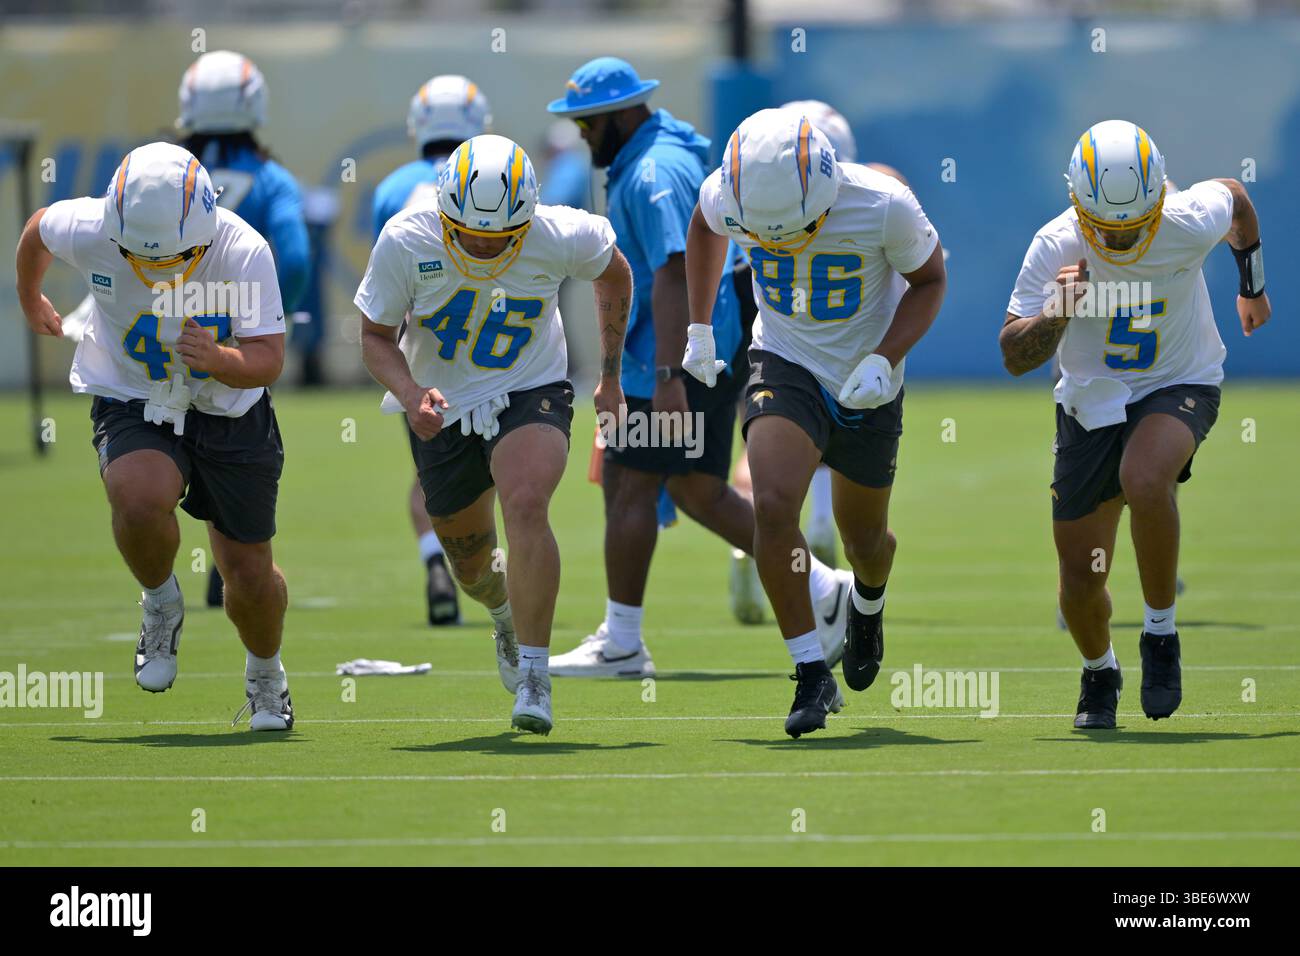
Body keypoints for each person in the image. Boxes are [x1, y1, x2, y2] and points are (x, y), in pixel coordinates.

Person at [544, 59, 854, 679]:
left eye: (587, 121)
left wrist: (668, 378)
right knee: (692, 486)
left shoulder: (651, 170)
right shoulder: (656, 155)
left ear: (621, 114)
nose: (581, 134)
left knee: (631, 481)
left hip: (686, 353)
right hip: (700, 343)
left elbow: (671, 269)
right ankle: (822, 587)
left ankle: (624, 641)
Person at [356, 134, 633, 735]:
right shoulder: (408, 237)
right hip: (442, 400)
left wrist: (610, 374)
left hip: (532, 386)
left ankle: (535, 673)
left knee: (527, 502)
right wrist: (409, 396)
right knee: (472, 566)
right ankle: (505, 612)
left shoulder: (560, 232)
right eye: (470, 231)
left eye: (499, 234)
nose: (483, 243)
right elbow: (375, 336)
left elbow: (614, 272)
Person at [685, 108, 947, 738]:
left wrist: (886, 358)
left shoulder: (884, 203)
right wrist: (698, 327)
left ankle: (867, 602)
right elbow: (703, 227)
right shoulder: (729, 191)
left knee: (865, 542)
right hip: (784, 357)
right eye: (767, 235)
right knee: (773, 505)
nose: (783, 243)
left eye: (799, 229)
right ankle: (809, 670)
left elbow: (932, 280)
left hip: (866, 375)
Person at [16, 142, 295, 730]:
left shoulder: (243, 250)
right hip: (134, 394)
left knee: (248, 576)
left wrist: (219, 357)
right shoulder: (92, 226)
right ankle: (162, 603)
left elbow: (268, 361)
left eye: (175, 257)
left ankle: (266, 674)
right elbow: (38, 230)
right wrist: (28, 296)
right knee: (138, 497)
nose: (157, 273)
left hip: (229, 409)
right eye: (137, 258)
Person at [1000, 120, 1269, 729]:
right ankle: (1100, 671)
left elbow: (1239, 201)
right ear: (1078, 207)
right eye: (1107, 230)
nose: (1119, 242)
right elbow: (1013, 355)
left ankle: (1161, 635)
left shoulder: (1187, 219)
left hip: (1180, 381)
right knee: (1079, 577)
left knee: (1146, 478)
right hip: (1089, 403)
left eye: (1133, 227)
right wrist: (1058, 310)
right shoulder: (1056, 245)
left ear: (1159, 203)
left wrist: (1252, 287)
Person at [176, 50, 310, 608]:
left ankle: (165, 581)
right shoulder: (270, 179)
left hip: (164, 332)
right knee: (234, 429)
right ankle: (230, 555)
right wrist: (270, 323)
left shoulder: (169, 171)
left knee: (158, 437)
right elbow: (296, 257)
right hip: (237, 339)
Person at [370, 74, 493, 627]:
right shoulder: (494, 180)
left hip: (425, 356)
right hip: (496, 351)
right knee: (505, 475)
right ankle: (496, 574)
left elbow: (384, 286)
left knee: (434, 477)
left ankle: (437, 562)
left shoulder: (393, 189)